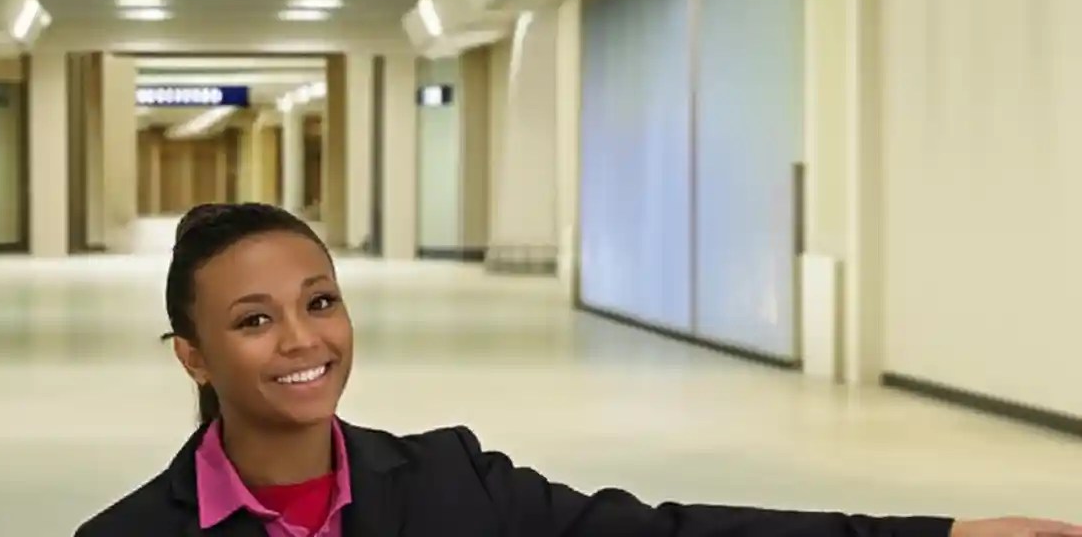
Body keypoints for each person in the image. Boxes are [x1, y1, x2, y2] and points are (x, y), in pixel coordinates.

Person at [75, 203, 1080, 537]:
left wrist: (940, 534)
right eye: (255, 321)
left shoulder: (450, 481)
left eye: (320, 301)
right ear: (193, 356)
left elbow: (673, 534)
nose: (303, 340)